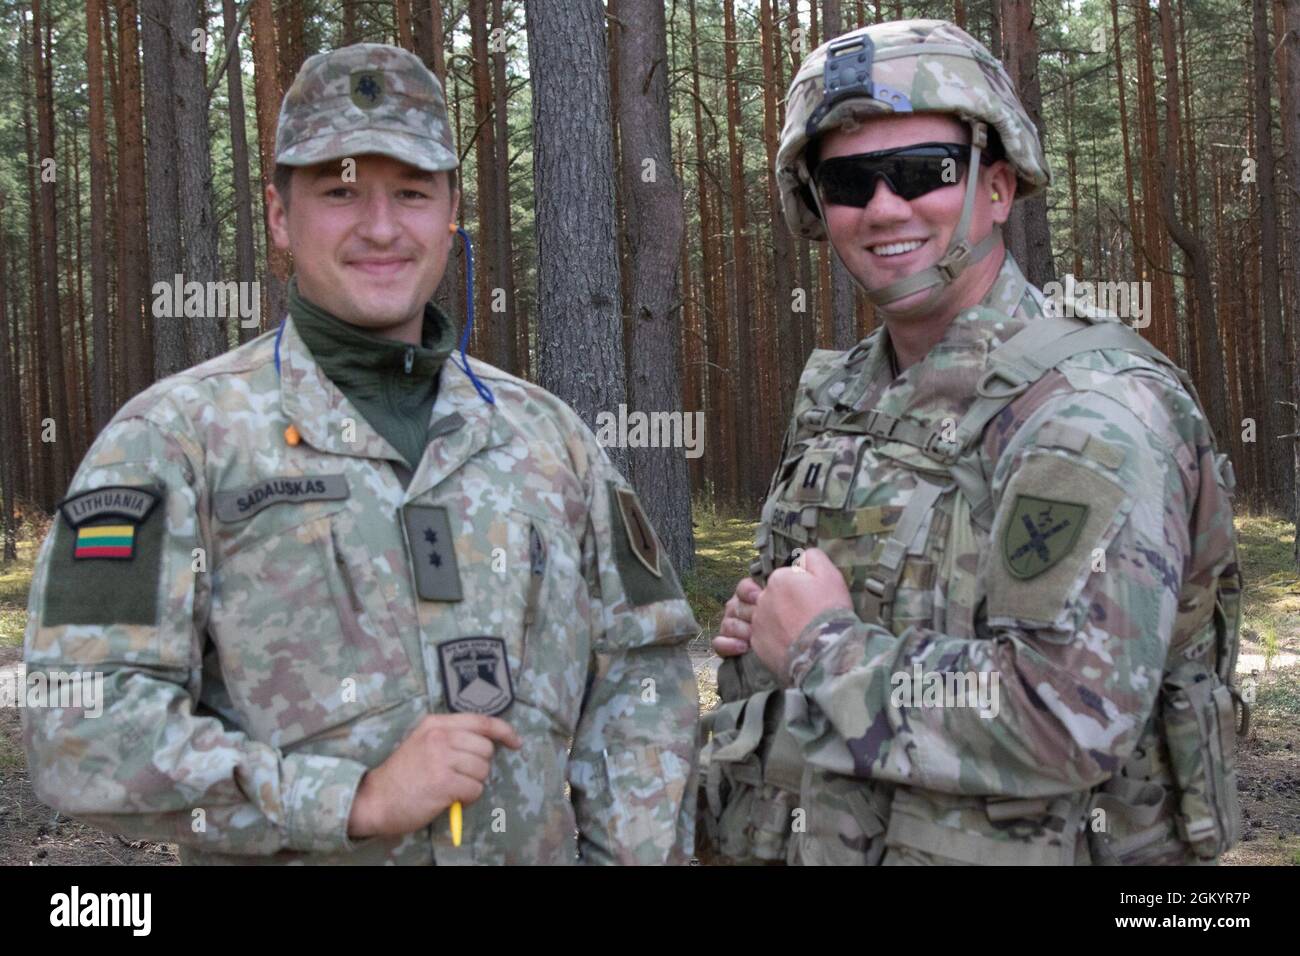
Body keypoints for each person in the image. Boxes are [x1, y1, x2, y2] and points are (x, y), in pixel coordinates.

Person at [23, 43, 699, 865]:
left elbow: (646, 674)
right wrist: (349, 799)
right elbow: (78, 723)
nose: (381, 228)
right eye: (340, 192)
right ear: (280, 215)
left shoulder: (547, 436)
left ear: (450, 214)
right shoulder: (175, 440)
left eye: (412, 193)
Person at [699, 19, 1243, 866]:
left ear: (995, 188)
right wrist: (767, 624)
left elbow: (1067, 719)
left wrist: (818, 647)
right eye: (848, 181)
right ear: (817, 206)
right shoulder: (848, 397)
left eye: (924, 172)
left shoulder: (1090, 411)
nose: (884, 207)